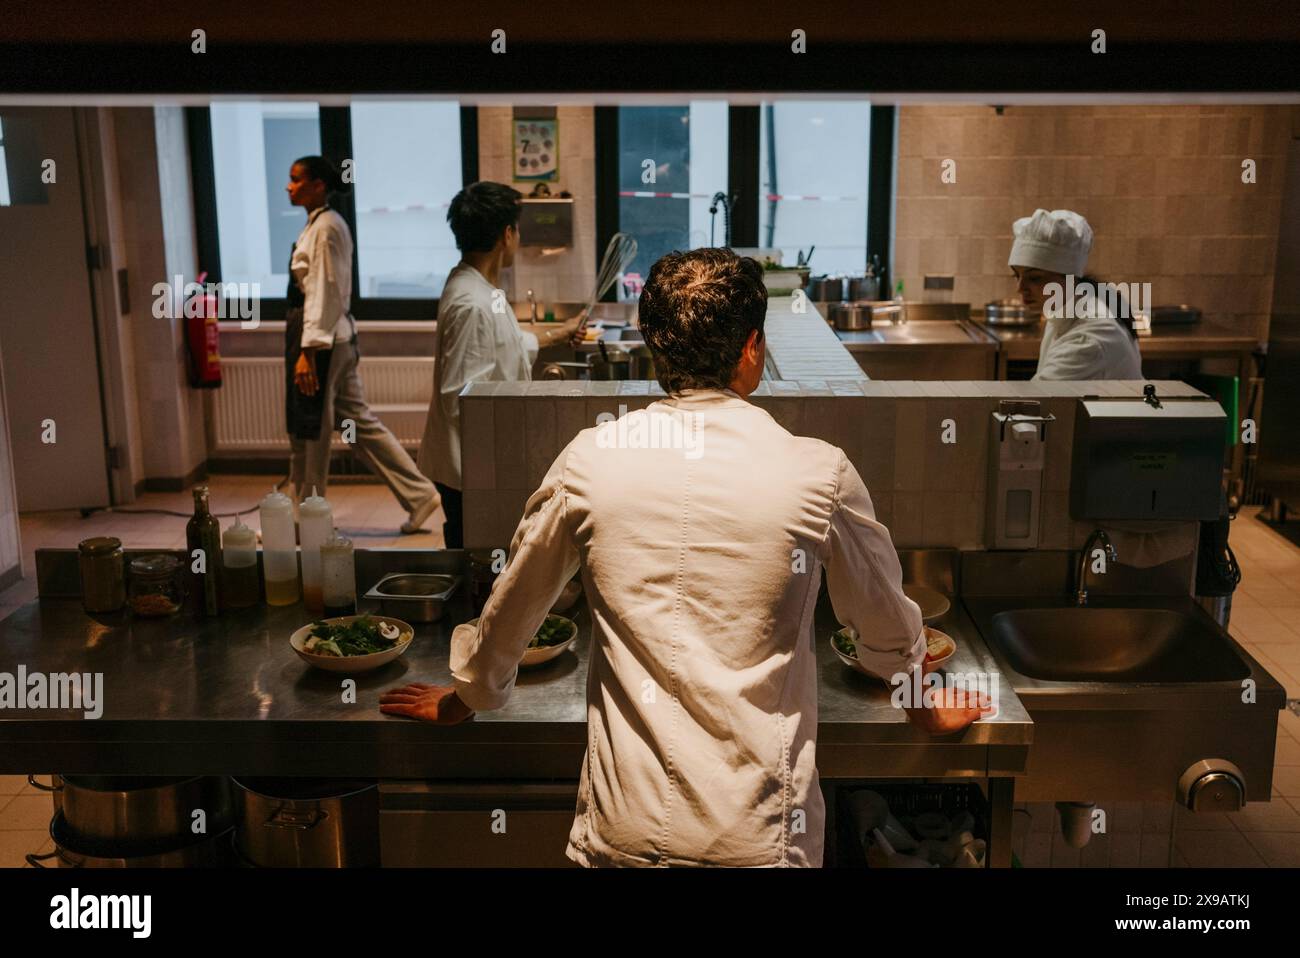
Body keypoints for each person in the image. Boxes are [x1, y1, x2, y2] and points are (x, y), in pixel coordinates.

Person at [381, 248, 990, 867]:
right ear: (752, 348)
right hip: (759, 840)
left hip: (624, 835)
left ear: (656, 348)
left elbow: (513, 605)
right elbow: (885, 633)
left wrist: (465, 697)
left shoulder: (590, 460)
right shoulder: (819, 473)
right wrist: (923, 705)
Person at [284, 155, 437, 532]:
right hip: (334, 340)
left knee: (311, 433)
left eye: (296, 179)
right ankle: (419, 495)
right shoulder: (318, 224)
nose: (289, 186)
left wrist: (308, 351)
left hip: (324, 345)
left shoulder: (327, 227)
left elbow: (326, 290)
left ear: (319, 184)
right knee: (357, 424)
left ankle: (307, 519)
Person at [416, 181, 538, 548]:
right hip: (467, 467)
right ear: (507, 234)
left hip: (477, 462)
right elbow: (462, 394)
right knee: (474, 553)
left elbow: (506, 347)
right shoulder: (472, 303)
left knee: (481, 550)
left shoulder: (480, 288)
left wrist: (559, 334)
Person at [1008, 208, 1143, 380]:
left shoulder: (1088, 340)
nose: (1020, 288)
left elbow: (1039, 400)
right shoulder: (1063, 312)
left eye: (1035, 278)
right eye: (1016, 275)